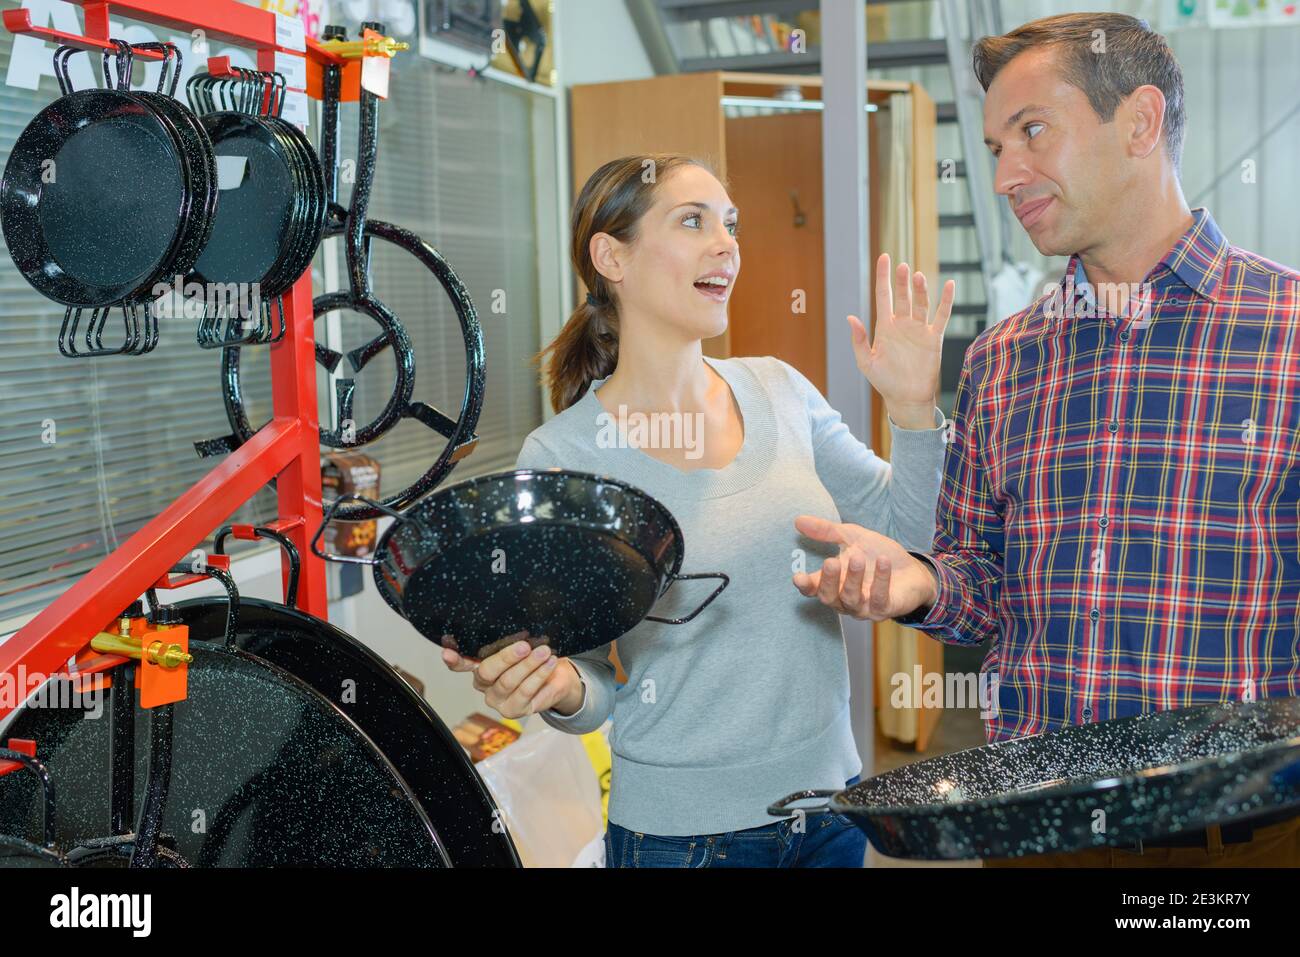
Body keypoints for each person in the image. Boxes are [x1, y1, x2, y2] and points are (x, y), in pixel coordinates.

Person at [792, 13, 1300, 867]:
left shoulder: (1285, 332)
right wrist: (917, 582)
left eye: (1032, 132)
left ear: (1139, 122)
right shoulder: (1003, 359)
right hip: (1032, 830)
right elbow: (982, 588)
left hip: (1238, 840)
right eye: (994, 147)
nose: (1004, 176)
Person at [442, 152, 954, 867]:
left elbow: (914, 539)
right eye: (694, 221)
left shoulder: (782, 390)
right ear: (610, 256)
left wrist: (911, 409)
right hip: (680, 838)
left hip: (831, 807)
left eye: (731, 224)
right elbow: (589, 680)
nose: (728, 245)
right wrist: (556, 684)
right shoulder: (563, 454)